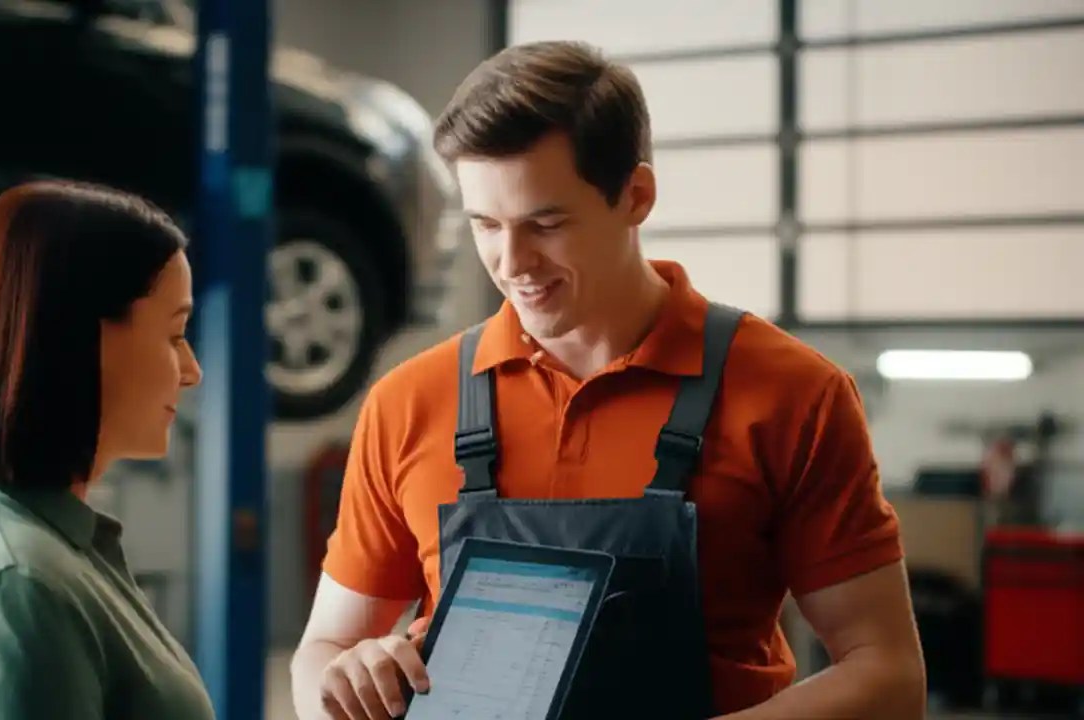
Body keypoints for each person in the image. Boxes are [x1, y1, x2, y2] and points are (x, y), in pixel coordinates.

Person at [291, 40, 926, 720]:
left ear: (636, 196)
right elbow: (323, 651)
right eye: (486, 225)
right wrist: (347, 683)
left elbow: (888, 675)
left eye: (546, 223)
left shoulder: (792, 394)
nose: (512, 263)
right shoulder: (409, 403)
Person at [0, 180, 212, 719]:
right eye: (174, 334)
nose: (191, 371)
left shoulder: (16, 529)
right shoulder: (23, 586)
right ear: (77, 336)